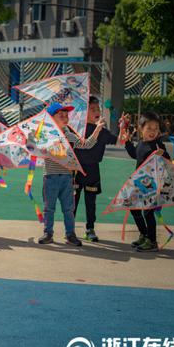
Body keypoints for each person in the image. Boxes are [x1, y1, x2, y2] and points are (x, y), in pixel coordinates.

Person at [38, 102, 105, 246]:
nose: (64, 117)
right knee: (49, 208)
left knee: (68, 208)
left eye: (66, 115)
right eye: (60, 115)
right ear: (51, 118)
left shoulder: (69, 134)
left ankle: (70, 234)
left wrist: (97, 129)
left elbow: (86, 144)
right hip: (50, 177)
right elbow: (36, 146)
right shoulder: (46, 133)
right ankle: (48, 233)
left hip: (67, 177)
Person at [122, 111, 171, 252]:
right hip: (139, 184)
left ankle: (152, 241)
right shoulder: (142, 144)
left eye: (155, 128)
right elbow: (134, 154)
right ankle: (144, 234)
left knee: (148, 213)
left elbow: (166, 160)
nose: (152, 131)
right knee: (134, 209)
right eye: (149, 128)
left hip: (152, 185)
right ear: (140, 129)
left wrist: (164, 154)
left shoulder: (158, 145)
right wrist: (127, 142)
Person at [73, 96, 120, 242]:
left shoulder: (103, 131)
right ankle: (70, 229)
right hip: (76, 170)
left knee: (90, 202)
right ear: (83, 112)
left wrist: (123, 126)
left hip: (93, 170)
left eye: (98, 108)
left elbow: (119, 140)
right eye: (92, 109)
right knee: (73, 201)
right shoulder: (76, 129)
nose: (97, 111)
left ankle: (90, 228)